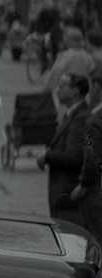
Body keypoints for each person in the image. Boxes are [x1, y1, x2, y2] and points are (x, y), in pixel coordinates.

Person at [42, 73, 92, 228]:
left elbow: (74, 156)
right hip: (62, 195)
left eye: (62, 85)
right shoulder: (71, 114)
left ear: (75, 91)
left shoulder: (80, 118)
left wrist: (47, 156)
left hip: (67, 195)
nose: (57, 90)